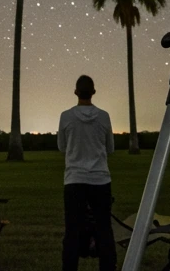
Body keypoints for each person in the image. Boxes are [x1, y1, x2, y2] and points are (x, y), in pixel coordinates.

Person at [58, 74, 117, 271]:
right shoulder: (104, 116)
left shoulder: (66, 116)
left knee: (72, 231)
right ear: (93, 93)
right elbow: (110, 148)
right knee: (104, 229)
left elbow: (61, 146)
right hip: (100, 179)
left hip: (74, 179)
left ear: (76, 92)